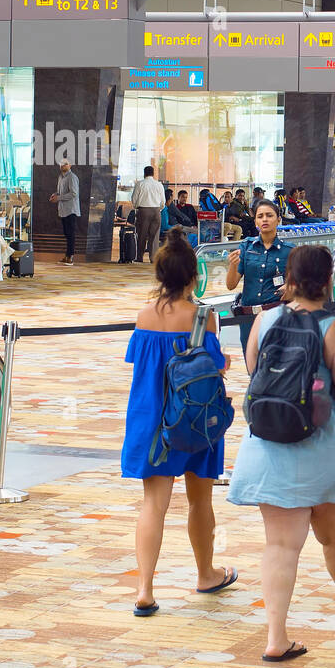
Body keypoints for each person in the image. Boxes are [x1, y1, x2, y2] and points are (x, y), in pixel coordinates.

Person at [229, 245, 335, 660]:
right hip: (327, 449)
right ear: (328, 281)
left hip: (269, 447)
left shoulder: (264, 320)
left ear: (289, 278)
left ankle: (276, 638)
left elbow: (256, 375)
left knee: (280, 545)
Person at [122, 228, 237, 618]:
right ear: (193, 276)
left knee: (153, 504)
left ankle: (144, 589)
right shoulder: (203, 317)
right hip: (195, 420)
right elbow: (214, 366)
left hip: (151, 421)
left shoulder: (143, 316)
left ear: (160, 276)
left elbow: (140, 366)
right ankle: (205, 573)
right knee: (199, 500)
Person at [225, 199, 294, 355]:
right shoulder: (246, 247)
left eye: (269, 215)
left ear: (278, 219)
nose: (264, 219)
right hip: (248, 318)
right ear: (255, 220)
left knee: (275, 365)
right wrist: (233, 265)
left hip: (276, 317)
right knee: (252, 367)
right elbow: (231, 285)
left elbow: (297, 285)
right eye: (260, 216)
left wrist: (291, 287)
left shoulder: (289, 251)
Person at [130, 166, 166, 262]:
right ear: (153, 173)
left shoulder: (140, 184)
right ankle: (153, 258)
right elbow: (163, 201)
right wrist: (158, 209)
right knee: (154, 236)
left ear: (144, 173)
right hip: (156, 211)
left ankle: (139, 257)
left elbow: (134, 199)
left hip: (143, 211)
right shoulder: (159, 185)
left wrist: (137, 207)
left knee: (142, 234)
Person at [50, 160, 81, 266]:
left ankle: (70, 256)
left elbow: (74, 194)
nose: (63, 165)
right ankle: (67, 255)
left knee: (71, 234)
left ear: (70, 165)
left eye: (65, 164)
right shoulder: (60, 177)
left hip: (71, 210)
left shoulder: (72, 177)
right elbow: (60, 192)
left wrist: (59, 198)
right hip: (63, 210)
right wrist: (55, 195)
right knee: (67, 234)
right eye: (61, 164)